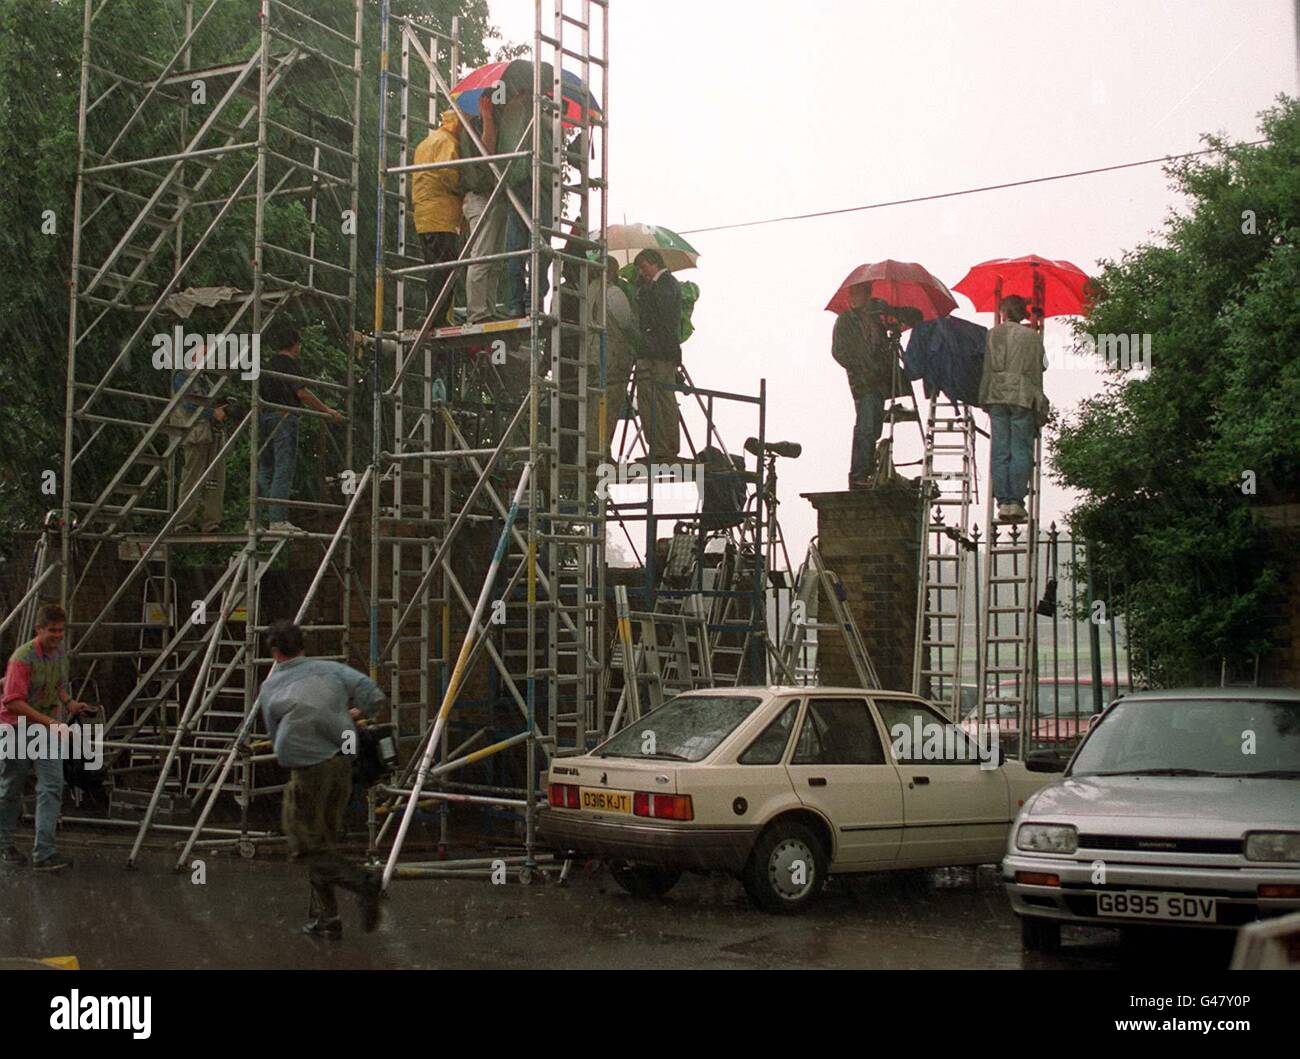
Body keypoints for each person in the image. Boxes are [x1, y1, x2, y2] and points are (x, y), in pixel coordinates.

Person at [257, 620, 385, 939]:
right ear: (302, 646)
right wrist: (353, 714)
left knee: (305, 846)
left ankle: (364, 883)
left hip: (308, 770)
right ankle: (327, 918)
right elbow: (374, 696)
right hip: (341, 763)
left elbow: (273, 733)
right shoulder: (332, 670)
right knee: (323, 842)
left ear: (274, 652)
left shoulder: (273, 685)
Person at [0, 604, 95, 872]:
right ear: (38, 629)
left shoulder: (60, 653)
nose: (57, 635)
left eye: (61, 630)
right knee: (10, 789)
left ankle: (44, 852)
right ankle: (3, 845)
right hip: (16, 728)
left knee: (52, 786)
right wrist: (52, 722)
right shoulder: (23, 658)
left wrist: (70, 704)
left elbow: (57, 685)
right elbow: (13, 702)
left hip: (45, 729)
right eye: (52, 630)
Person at [257, 325, 345, 534]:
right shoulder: (288, 364)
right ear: (295, 345)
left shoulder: (267, 365)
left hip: (265, 417)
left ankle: (256, 519)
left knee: (265, 469)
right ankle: (277, 520)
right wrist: (327, 411)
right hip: (284, 418)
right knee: (283, 469)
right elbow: (302, 393)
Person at [978, 294, 1050, 523]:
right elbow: (1043, 366)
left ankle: (1003, 501)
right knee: (1020, 449)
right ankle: (1017, 501)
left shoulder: (993, 334)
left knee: (1000, 449)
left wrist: (983, 398)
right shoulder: (1033, 337)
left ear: (1004, 312)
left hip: (997, 394)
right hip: (1022, 394)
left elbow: (987, 367)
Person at [831, 287, 900, 488]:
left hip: (877, 381)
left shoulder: (875, 323)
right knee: (866, 426)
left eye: (858, 294)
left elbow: (882, 350)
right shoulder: (845, 321)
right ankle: (859, 474)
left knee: (874, 428)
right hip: (863, 381)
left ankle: (867, 471)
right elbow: (839, 352)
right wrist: (860, 367)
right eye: (853, 294)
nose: (854, 298)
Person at [497, 89, 554, 318]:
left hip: (513, 184)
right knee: (540, 247)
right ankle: (533, 301)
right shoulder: (540, 110)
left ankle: (514, 303)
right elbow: (549, 148)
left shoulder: (507, 112)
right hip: (537, 183)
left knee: (515, 249)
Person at [585, 256, 638, 467]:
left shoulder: (587, 291)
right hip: (612, 356)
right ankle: (602, 451)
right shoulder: (614, 292)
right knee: (609, 405)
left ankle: (590, 450)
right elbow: (626, 323)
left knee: (591, 405)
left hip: (590, 353)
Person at [411, 108, 463, 320]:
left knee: (434, 266)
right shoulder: (447, 142)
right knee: (445, 267)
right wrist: (465, 185)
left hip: (424, 212)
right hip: (441, 213)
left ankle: (433, 313)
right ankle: (435, 315)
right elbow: (448, 174)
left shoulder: (426, 143)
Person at [632, 249, 682, 463]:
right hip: (658, 349)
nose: (642, 273)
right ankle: (662, 446)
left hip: (658, 350)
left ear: (652, 264)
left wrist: (644, 292)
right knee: (657, 398)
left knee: (658, 398)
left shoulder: (666, 284)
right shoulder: (664, 285)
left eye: (643, 268)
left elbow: (660, 315)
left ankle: (663, 447)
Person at [457, 97, 504, 323]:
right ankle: (477, 312)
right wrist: (486, 117)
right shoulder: (469, 129)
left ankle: (488, 308)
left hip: (490, 196)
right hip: (479, 196)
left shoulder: (475, 125)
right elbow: (487, 153)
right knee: (482, 255)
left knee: (495, 260)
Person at [170, 363, 227, 533]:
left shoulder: (206, 380)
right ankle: (183, 522)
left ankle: (212, 523)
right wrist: (212, 413)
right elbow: (187, 403)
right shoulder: (182, 375)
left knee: (216, 479)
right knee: (192, 476)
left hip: (212, 432)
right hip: (195, 432)